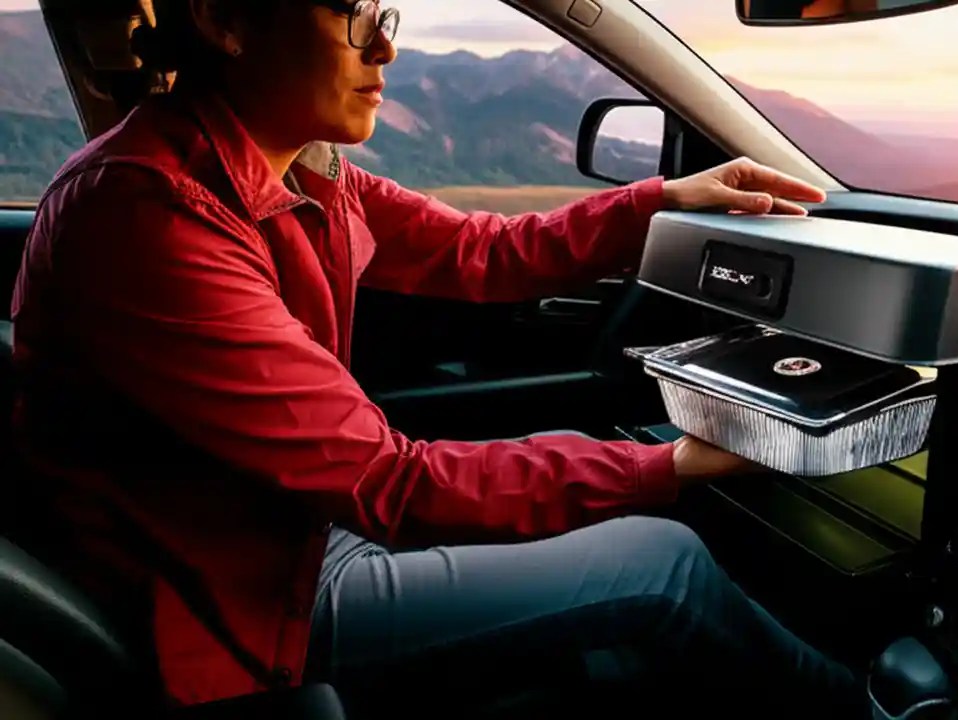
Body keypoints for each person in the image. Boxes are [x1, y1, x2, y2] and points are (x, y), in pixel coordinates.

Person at [8, 0, 865, 716]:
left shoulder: (298, 173)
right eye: (352, 13)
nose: (385, 44)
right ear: (226, 19)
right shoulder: (150, 216)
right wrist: (671, 464)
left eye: (386, 12)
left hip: (286, 537)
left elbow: (480, 252)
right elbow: (393, 485)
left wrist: (661, 203)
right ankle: (871, 711)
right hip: (239, 596)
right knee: (664, 563)